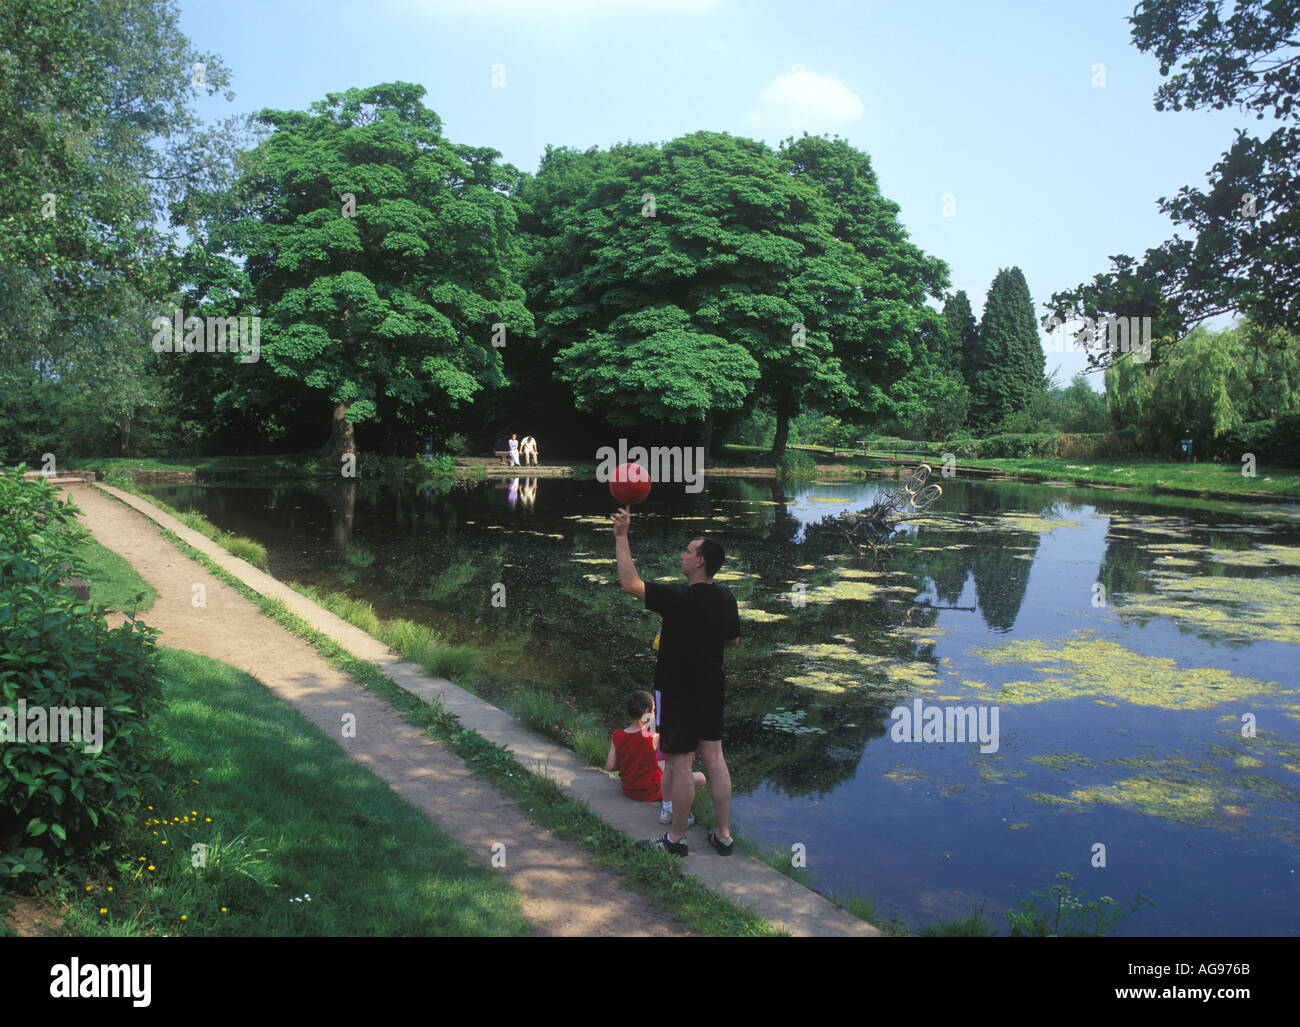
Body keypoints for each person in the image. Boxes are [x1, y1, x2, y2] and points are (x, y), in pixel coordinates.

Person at [611, 506, 738, 857]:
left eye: (688, 551)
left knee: (681, 762)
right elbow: (733, 640)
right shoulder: (727, 598)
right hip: (712, 687)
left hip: (678, 691)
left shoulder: (678, 598)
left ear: (699, 562)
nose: (682, 554)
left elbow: (629, 584)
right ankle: (724, 835)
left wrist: (622, 536)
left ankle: (676, 840)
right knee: (714, 757)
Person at [605, 690, 706, 811]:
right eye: (653, 710)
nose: (654, 713)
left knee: (659, 761)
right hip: (652, 792)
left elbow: (610, 766)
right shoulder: (655, 738)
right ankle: (696, 805)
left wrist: (629, 763)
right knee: (700, 777)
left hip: (628, 790)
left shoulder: (617, 735)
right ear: (647, 712)